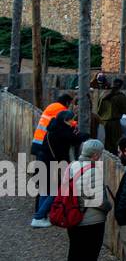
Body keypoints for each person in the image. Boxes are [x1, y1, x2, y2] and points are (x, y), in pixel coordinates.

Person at [66, 139, 108, 261]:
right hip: (91, 221)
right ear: (96, 155)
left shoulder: (71, 166)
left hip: (73, 219)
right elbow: (97, 201)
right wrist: (109, 206)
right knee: (89, 258)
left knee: (75, 254)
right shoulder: (93, 170)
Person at [31, 92, 76, 227]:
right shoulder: (61, 110)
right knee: (53, 188)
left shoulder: (51, 106)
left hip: (39, 146)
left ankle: (39, 214)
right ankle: (40, 215)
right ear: (67, 103)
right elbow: (69, 125)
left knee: (44, 185)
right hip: (49, 152)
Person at [95, 79, 126, 151]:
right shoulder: (120, 96)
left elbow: (98, 108)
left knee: (104, 143)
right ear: (120, 86)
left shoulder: (103, 94)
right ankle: (114, 161)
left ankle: (105, 160)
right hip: (114, 124)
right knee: (115, 145)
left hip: (102, 123)